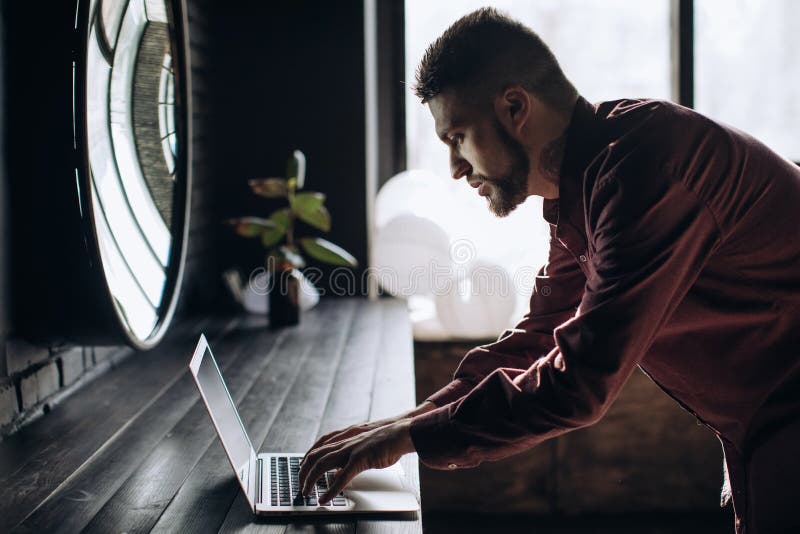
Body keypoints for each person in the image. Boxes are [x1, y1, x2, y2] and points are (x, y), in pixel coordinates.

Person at [299, 8, 800, 533]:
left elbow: (579, 380)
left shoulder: (644, 171)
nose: (454, 168)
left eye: (458, 138)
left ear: (515, 106)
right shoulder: (590, 185)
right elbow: (537, 339)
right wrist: (400, 425)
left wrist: (412, 439)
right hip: (766, 429)